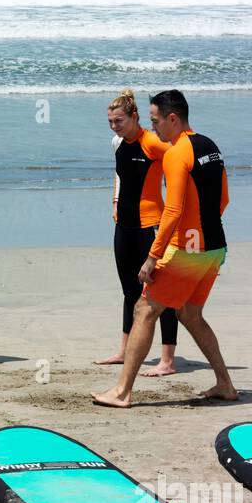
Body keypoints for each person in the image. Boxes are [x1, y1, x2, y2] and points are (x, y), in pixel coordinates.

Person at [93, 89, 238, 408]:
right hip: (215, 247)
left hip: (187, 250)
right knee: (190, 313)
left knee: (144, 309)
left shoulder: (175, 154)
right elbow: (224, 198)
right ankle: (225, 384)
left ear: (173, 118)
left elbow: (171, 212)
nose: (154, 126)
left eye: (156, 120)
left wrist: (153, 257)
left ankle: (122, 392)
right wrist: (203, 233)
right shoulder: (209, 146)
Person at [95, 89, 179, 375]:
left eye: (119, 120)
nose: (114, 126)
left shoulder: (154, 143)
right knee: (129, 291)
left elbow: (181, 161)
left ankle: (167, 360)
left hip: (150, 226)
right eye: (110, 121)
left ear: (134, 117)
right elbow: (119, 173)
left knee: (161, 293)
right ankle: (124, 351)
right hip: (124, 227)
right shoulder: (117, 142)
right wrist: (115, 200)